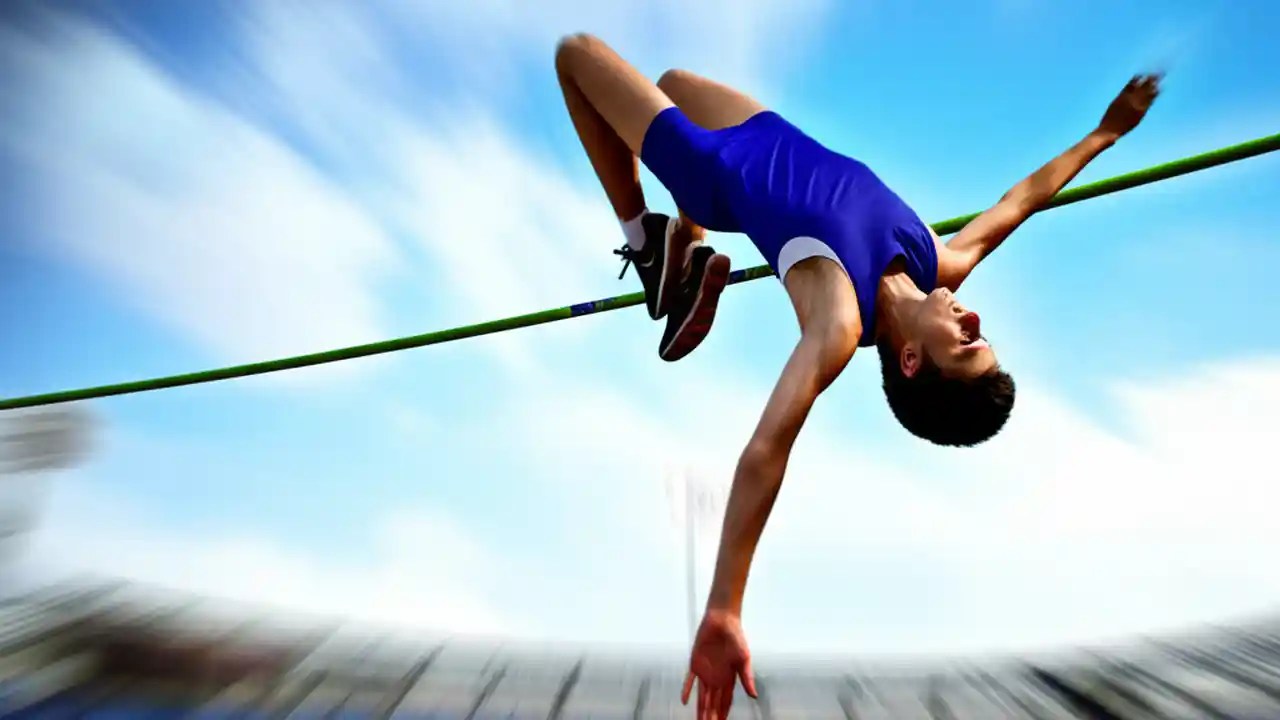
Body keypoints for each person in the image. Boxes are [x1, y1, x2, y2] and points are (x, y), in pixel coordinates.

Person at [554, 32, 1160, 720]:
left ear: (909, 361)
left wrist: (725, 607)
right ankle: (688, 255)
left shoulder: (838, 319)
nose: (972, 320)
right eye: (982, 336)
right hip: (764, 132)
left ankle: (650, 250)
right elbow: (1022, 199)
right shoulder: (940, 260)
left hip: (711, 170)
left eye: (967, 344)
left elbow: (765, 452)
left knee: (575, 57)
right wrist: (1106, 132)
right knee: (673, 80)